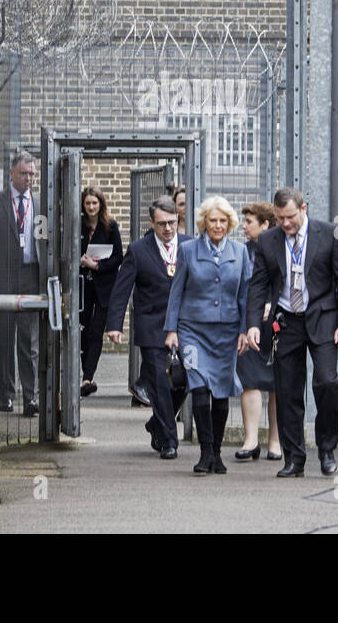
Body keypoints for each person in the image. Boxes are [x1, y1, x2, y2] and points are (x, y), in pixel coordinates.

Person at [246, 187, 338, 477]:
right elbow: (257, 284)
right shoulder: (268, 240)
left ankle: (327, 449)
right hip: (287, 321)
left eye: (290, 217)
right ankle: (294, 458)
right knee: (288, 391)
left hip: (323, 319)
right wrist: (254, 324)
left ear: (303, 209)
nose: (286, 224)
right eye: (280, 218)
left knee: (327, 383)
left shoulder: (329, 234)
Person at [164, 196, 252, 475]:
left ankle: (217, 453)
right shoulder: (188, 250)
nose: (217, 225)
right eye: (213, 220)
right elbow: (176, 291)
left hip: (226, 332)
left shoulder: (240, 252)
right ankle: (204, 451)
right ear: (204, 222)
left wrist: (243, 331)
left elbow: (244, 295)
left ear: (230, 223)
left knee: (222, 393)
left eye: (223, 220)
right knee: (199, 389)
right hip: (193, 331)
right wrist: (171, 330)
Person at [105, 196, 195, 458]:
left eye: (172, 223)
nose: (167, 229)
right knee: (158, 380)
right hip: (152, 325)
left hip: (185, 326)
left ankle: (157, 423)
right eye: (162, 224)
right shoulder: (138, 249)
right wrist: (115, 325)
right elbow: (122, 290)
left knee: (185, 380)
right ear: (152, 222)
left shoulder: (190, 245)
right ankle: (169, 441)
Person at [0, 151, 44, 417]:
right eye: (24, 173)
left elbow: (44, 242)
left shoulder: (40, 205)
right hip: (2, 278)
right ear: (12, 173)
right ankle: (6, 396)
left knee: (30, 342)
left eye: (32, 175)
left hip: (30, 277)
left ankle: (31, 398)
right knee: (4, 340)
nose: (28, 179)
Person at [234, 202, 282, 461]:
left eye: (249, 222)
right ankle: (251, 439)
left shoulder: (282, 249)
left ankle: (275, 441)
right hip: (248, 324)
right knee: (249, 379)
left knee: (277, 382)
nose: (244, 226)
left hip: (277, 324)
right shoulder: (243, 252)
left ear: (266, 225)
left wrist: (271, 306)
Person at [79, 186, 122, 397]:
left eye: (94, 203)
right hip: (84, 286)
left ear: (101, 204)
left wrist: (97, 265)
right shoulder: (78, 226)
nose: (91, 207)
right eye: (87, 203)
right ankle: (84, 375)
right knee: (84, 331)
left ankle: (88, 377)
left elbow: (118, 257)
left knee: (96, 331)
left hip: (105, 287)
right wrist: (82, 262)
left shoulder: (110, 226)